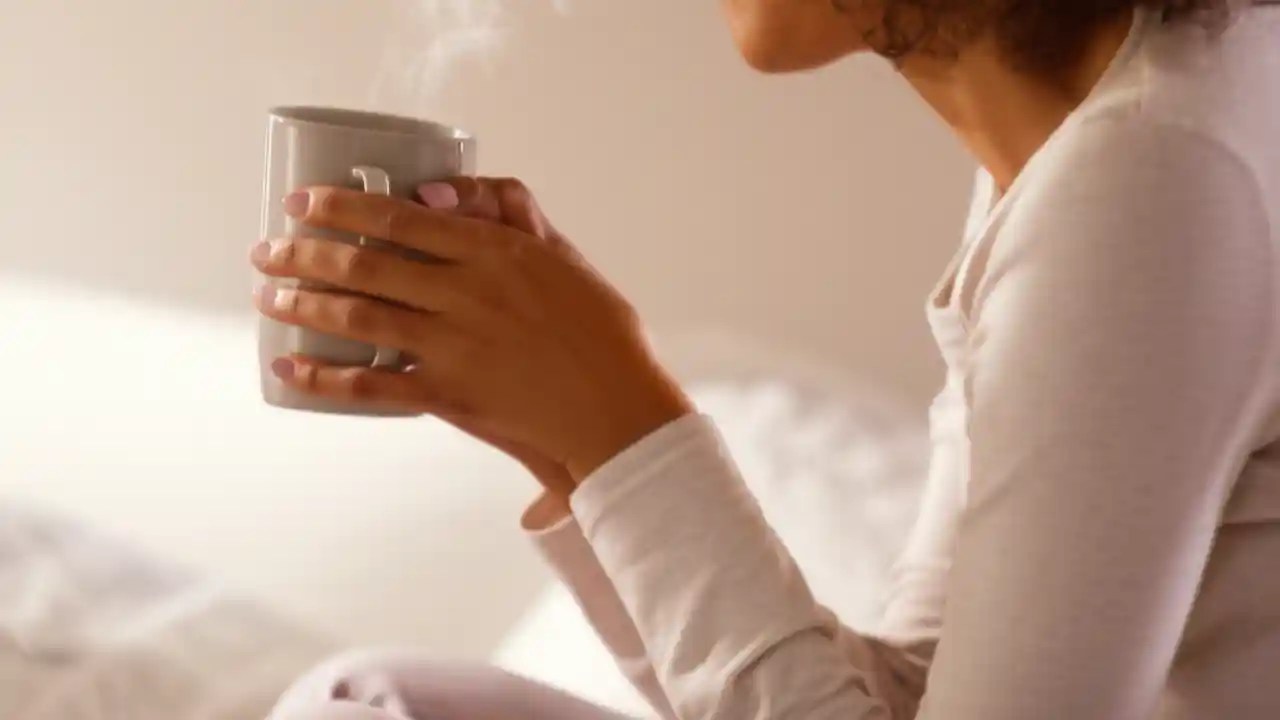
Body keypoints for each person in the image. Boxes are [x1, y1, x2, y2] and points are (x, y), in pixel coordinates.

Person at [253, 1, 1280, 718]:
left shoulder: (1149, 179)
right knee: (380, 701)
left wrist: (620, 431)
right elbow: (919, 694)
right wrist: (567, 447)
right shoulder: (1119, 140)